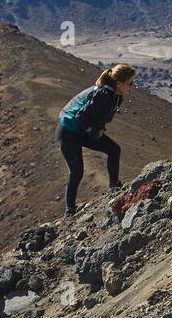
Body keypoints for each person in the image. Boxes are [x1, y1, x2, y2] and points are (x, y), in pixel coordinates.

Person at [57, 64, 135, 215]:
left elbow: (98, 115)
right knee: (77, 171)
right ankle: (70, 210)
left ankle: (114, 186)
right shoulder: (103, 94)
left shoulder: (116, 96)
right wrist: (93, 132)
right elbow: (81, 116)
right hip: (68, 132)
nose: (132, 86)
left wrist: (98, 129)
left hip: (82, 130)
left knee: (114, 149)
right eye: (130, 82)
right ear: (119, 83)